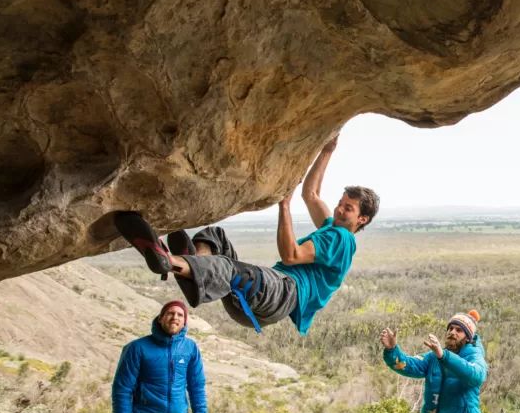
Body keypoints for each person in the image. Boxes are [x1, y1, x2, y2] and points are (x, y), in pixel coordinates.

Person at [112, 134, 379, 335]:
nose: (339, 209)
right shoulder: (335, 229)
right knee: (216, 237)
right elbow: (312, 195)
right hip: (255, 309)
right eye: (341, 203)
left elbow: (290, 255)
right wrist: (327, 150)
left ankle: (170, 262)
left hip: (283, 292)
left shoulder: (340, 238)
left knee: (230, 268)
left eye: (348, 209)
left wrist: (284, 205)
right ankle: (195, 265)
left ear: (362, 219)